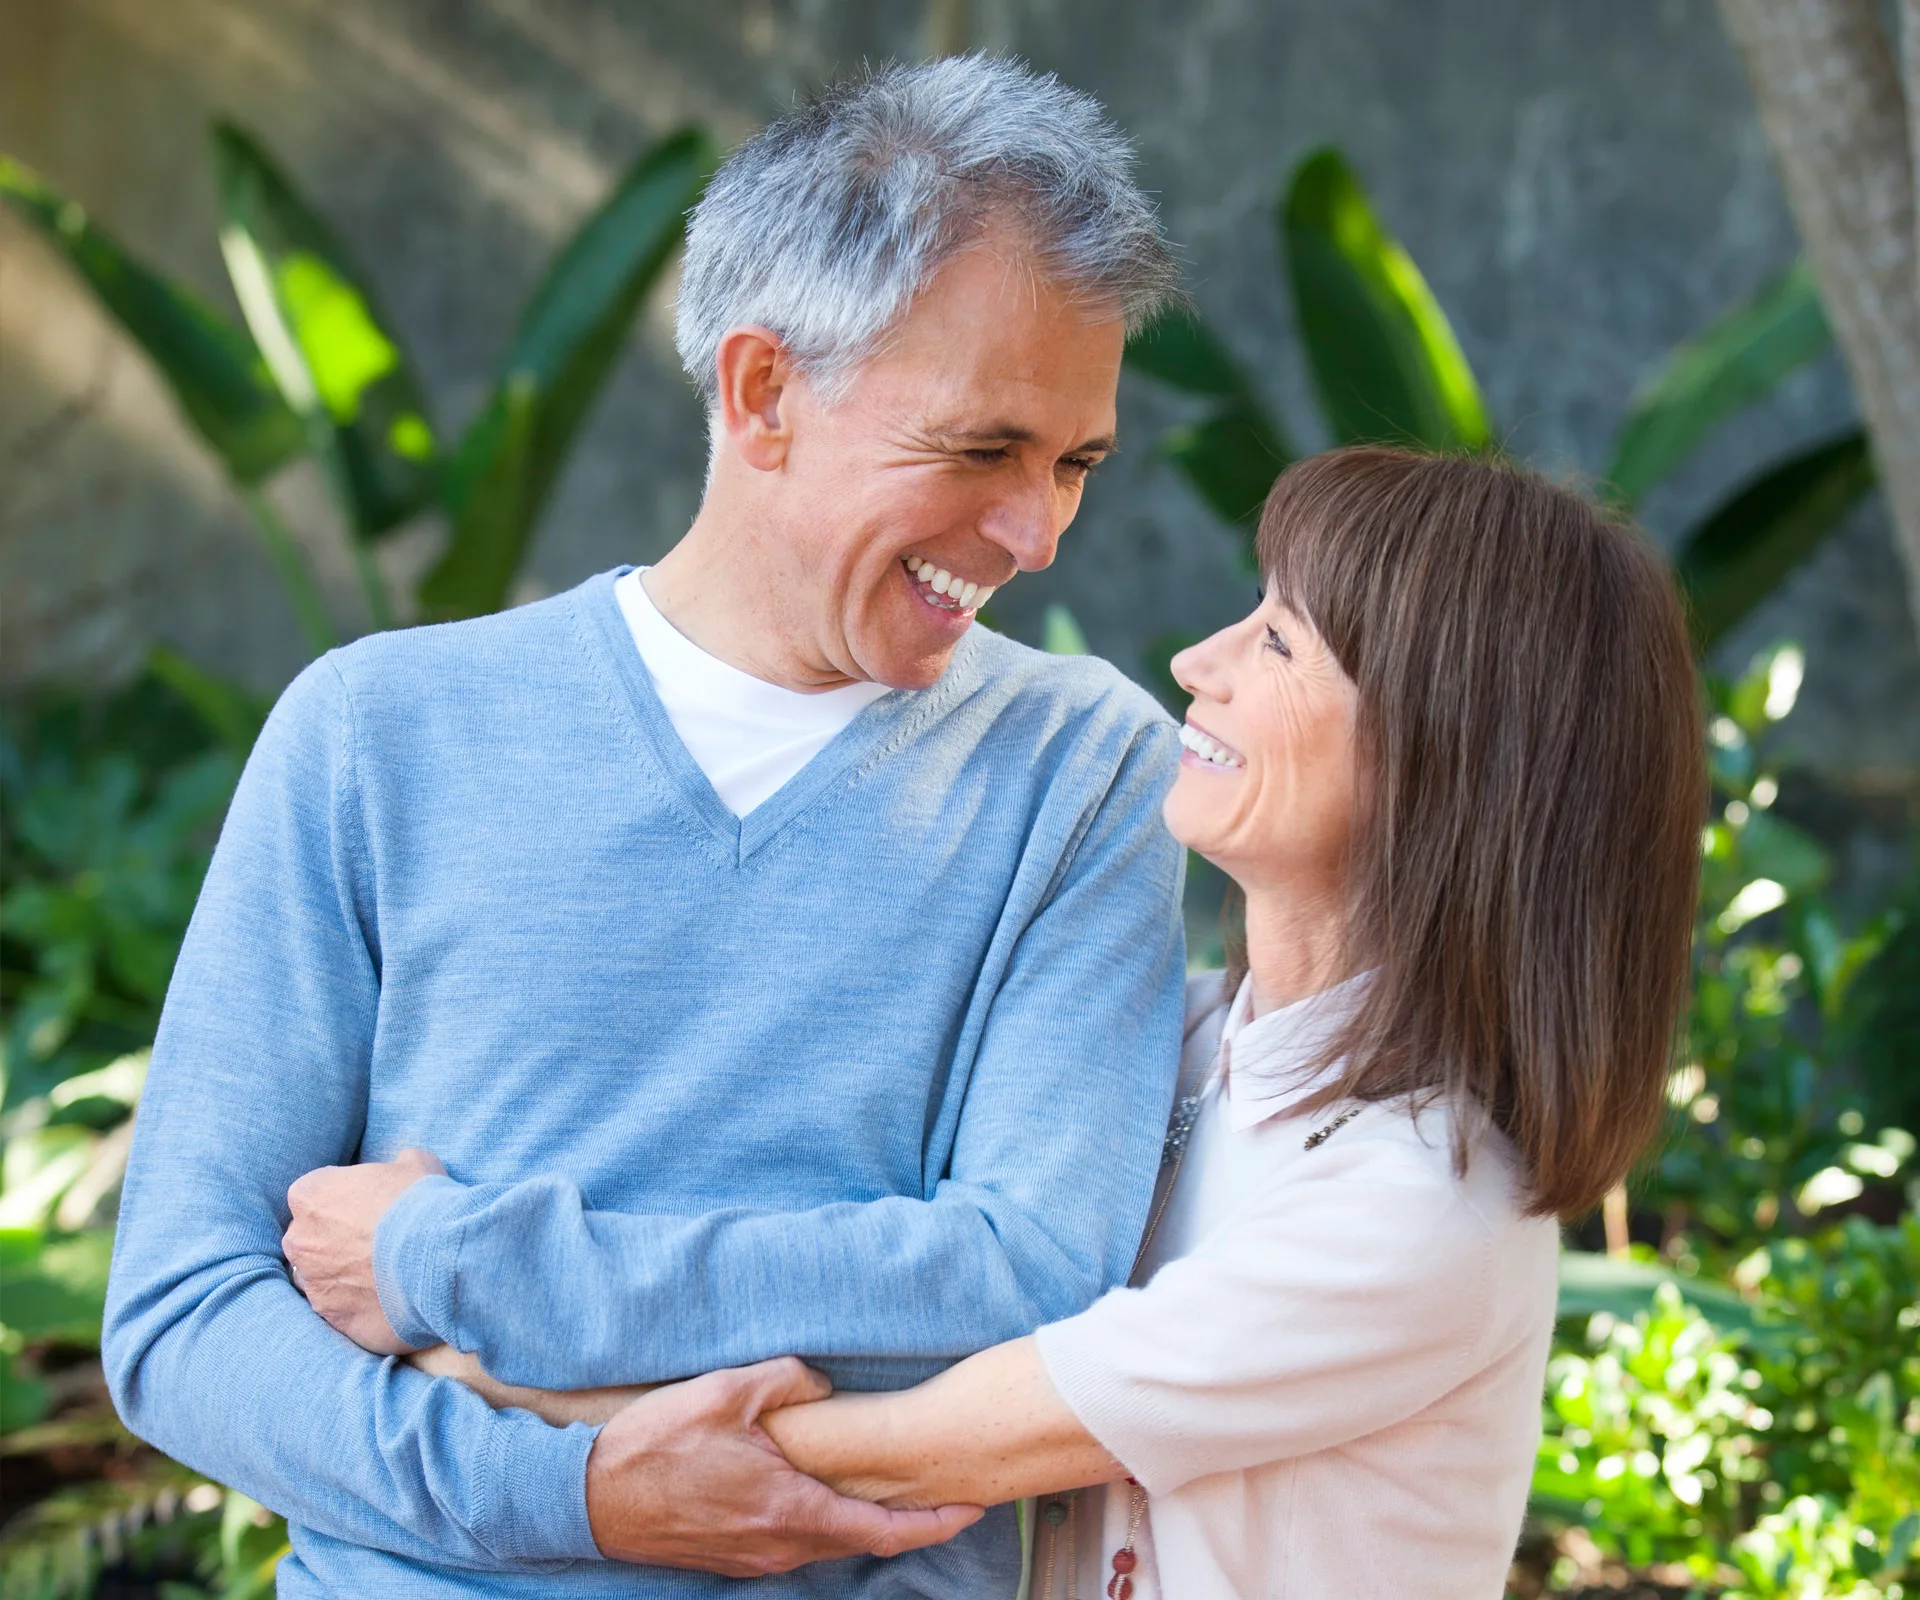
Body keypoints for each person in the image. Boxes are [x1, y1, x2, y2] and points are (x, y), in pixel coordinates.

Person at [103, 57, 1190, 1597]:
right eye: (982, 450)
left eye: (1076, 462)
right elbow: (184, 1321)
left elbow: (1023, 1275)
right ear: (761, 393)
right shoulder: (376, 733)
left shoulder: (1081, 772)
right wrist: (582, 1491)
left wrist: (459, 1262)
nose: (1038, 533)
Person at [475, 446, 1707, 1598]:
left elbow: (907, 1450)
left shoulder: (1418, 1205)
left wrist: (481, 1371)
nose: (1199, 663)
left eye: (1279, 645)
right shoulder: (1177, 1051)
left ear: (1449, 763)